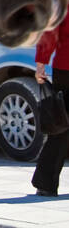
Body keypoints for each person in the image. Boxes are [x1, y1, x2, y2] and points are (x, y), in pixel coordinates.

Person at [33, 11, 69, 195]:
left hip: (66, 67)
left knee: (61, 126)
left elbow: (50, 31)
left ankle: (46, 183)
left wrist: (41, 64)